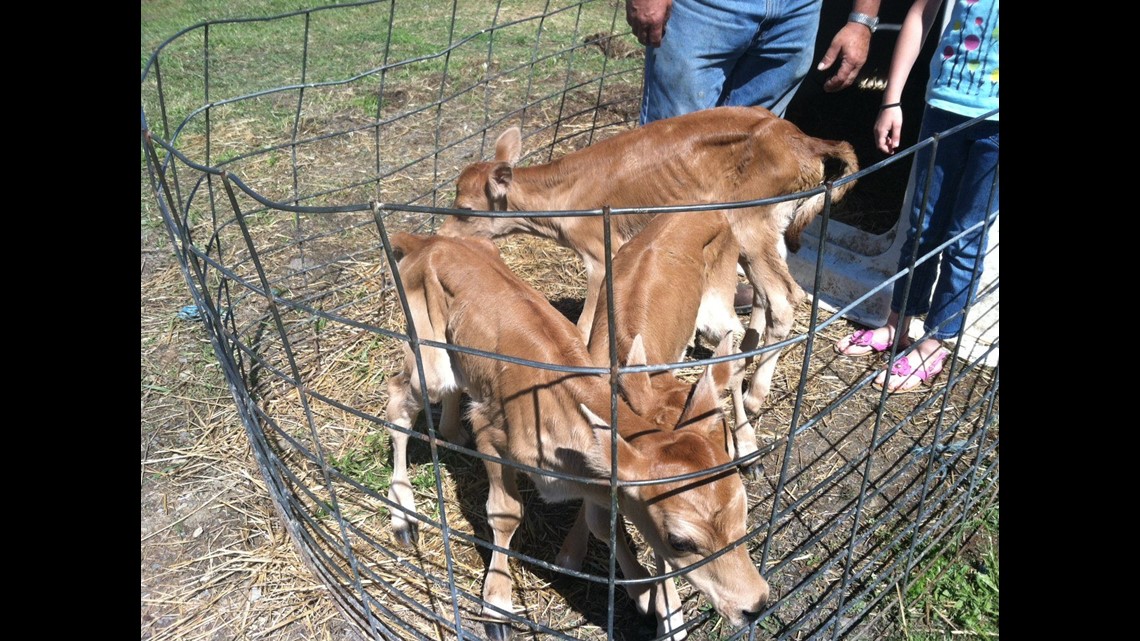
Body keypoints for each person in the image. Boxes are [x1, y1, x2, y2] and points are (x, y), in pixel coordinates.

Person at [834, 0, 998, 393]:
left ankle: (934, 342)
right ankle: (897, 323)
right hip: (942, 108)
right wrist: (893, 99)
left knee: (965, 236)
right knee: (922, 225)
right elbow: (919, 14)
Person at [625, 0, 883, 124]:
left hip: (797, 11)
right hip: (704, 7)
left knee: (751, 151)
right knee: (671, 152)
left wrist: (863, 19)